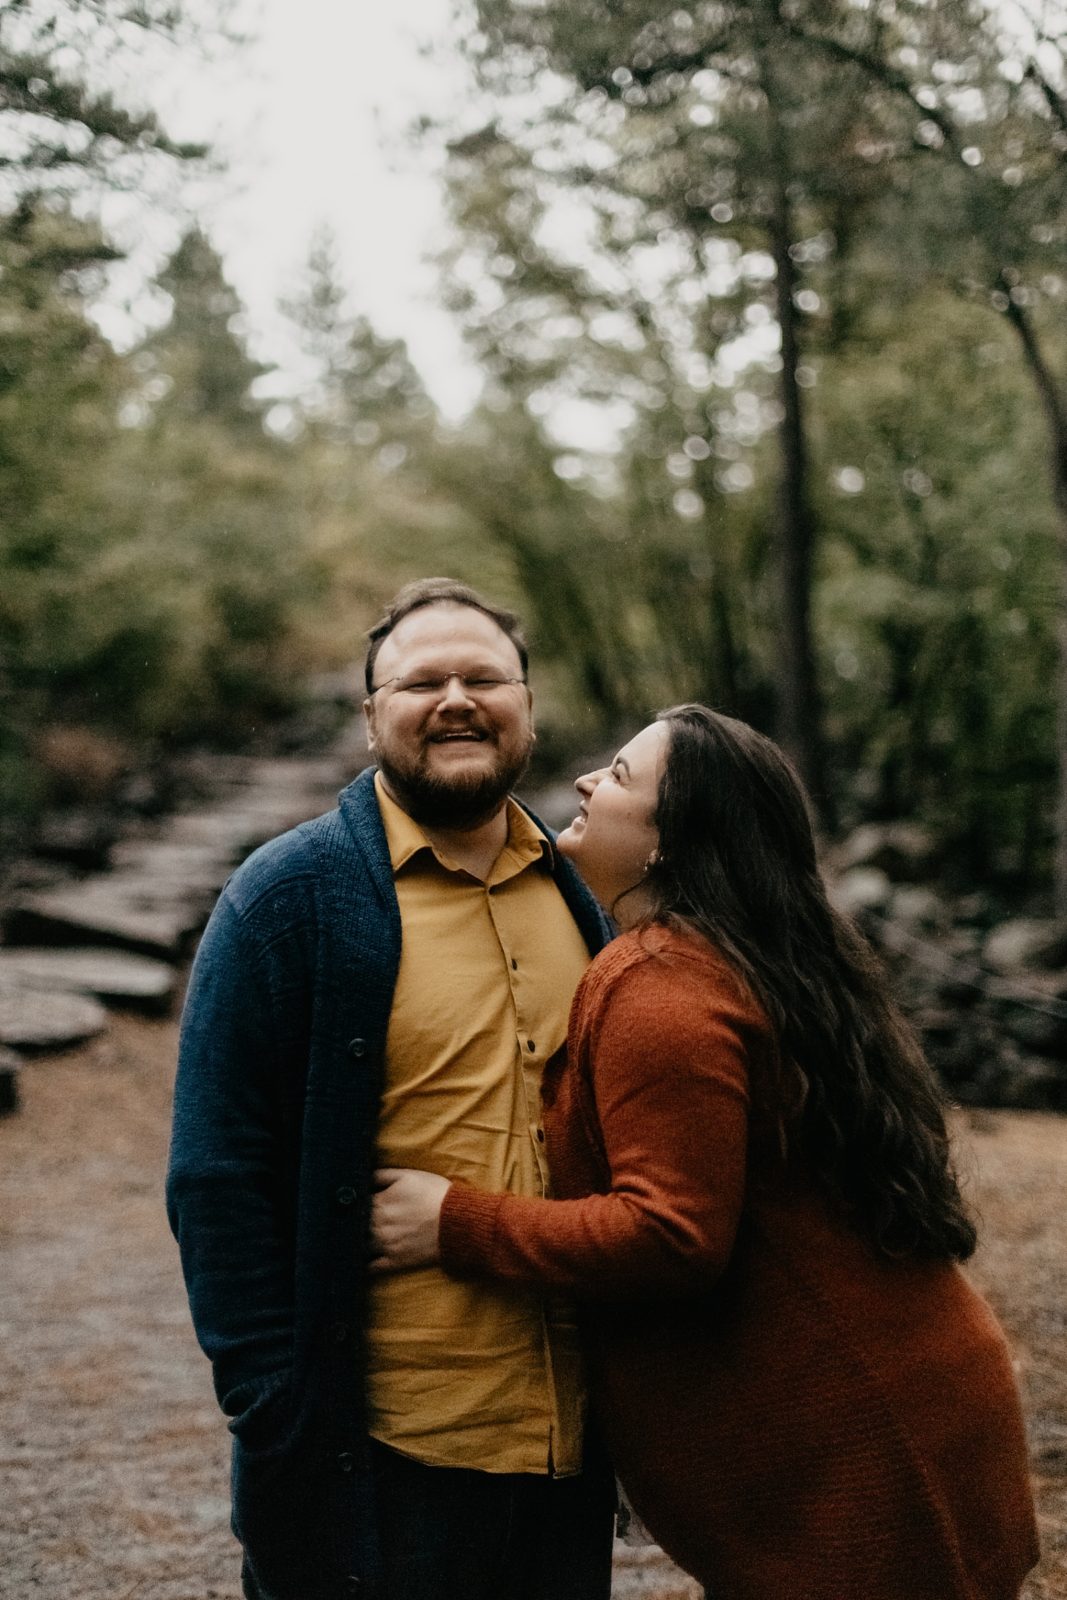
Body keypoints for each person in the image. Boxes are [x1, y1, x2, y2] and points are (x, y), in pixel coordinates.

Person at [372, 704, 1041, 1600]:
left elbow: (670, 1235)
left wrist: (453, 1223)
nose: (583, 782)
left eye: (615, 776)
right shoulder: (733, 956)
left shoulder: (661, 990)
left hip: (864, 1443)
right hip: (907, 1405)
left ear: (668, 840)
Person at [166, 578, 616, 1600]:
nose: (455, 698)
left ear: (528, 707)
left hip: (566, 1446)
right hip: (375, 1457)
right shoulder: (287, 899)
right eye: (420, 682)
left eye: (482, 676)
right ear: (371, 719)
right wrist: (272, 1407)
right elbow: (215, 1175)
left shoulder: (584, 894)